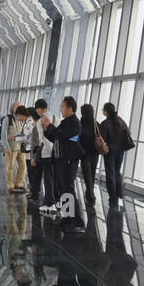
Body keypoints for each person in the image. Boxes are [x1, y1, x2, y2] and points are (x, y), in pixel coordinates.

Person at [43, 95, 84, 234]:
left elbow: (61, 136)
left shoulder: (74, 123)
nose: (61, 109)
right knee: (62, 189)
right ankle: (67, 219)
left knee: (68, 190)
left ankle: (77, 222)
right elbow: (55, 137)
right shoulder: (66, 121)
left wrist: (50, 126)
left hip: (68, 160)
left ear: (70, 109)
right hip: (61, 159)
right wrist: (46, 129)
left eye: (62, 107)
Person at [99, 102, 133, 210]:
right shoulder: (121, 121)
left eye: (103, 110)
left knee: (110, 173)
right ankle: (120, 193)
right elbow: (128, 133)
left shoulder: (104, 124)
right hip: (121, 151)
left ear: (105, 111)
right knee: (117, 172)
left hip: (110, 151)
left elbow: (102, 140)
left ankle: (113, 198)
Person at [78, 103, 101, 209]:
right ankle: (89, 195)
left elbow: (77, 138)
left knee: (87, 176)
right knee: (91, 175)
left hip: (84, 153)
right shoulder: (96, 123)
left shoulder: (81, 123)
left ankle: (91, 197)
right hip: (95, 153)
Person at [5, 105, 30, 193]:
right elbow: (3, 135)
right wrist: (6, 147)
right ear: (13, 110)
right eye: (17, 107)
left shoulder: (22, 120)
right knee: (10, 167)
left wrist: (15, 137)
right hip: (11, 147)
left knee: (23, 165)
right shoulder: (7, 119)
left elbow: (22, 133)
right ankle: (10, 185)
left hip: (20, 147)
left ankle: (19, 184)